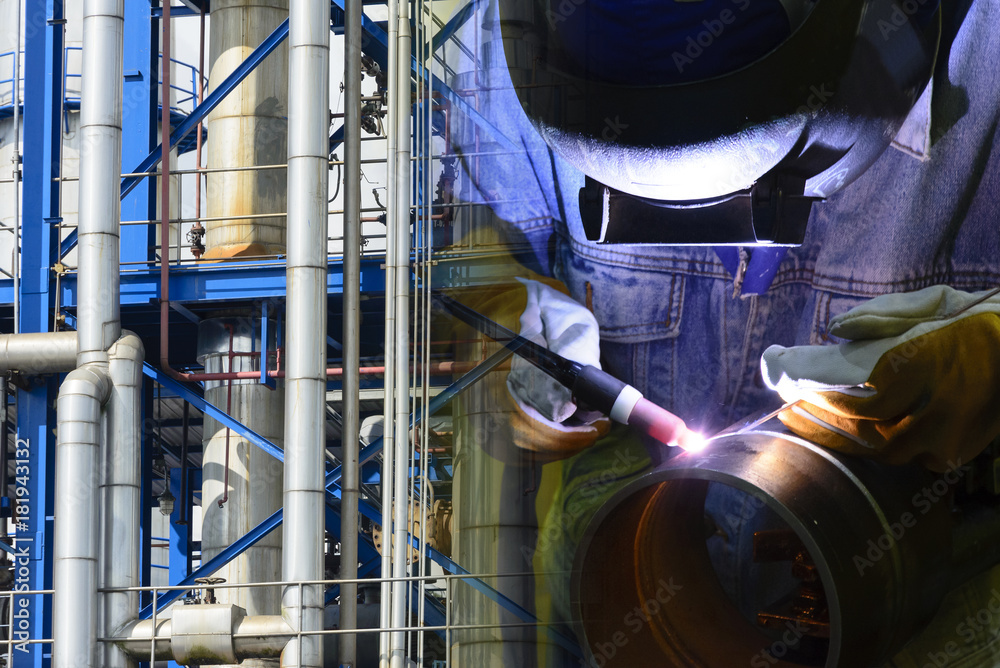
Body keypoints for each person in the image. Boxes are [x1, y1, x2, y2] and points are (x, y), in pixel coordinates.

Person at [438, 0, 1000, 665]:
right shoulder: (512, 36)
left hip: (932, 616)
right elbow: (474, 239)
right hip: (629, 610)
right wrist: (492, 313)